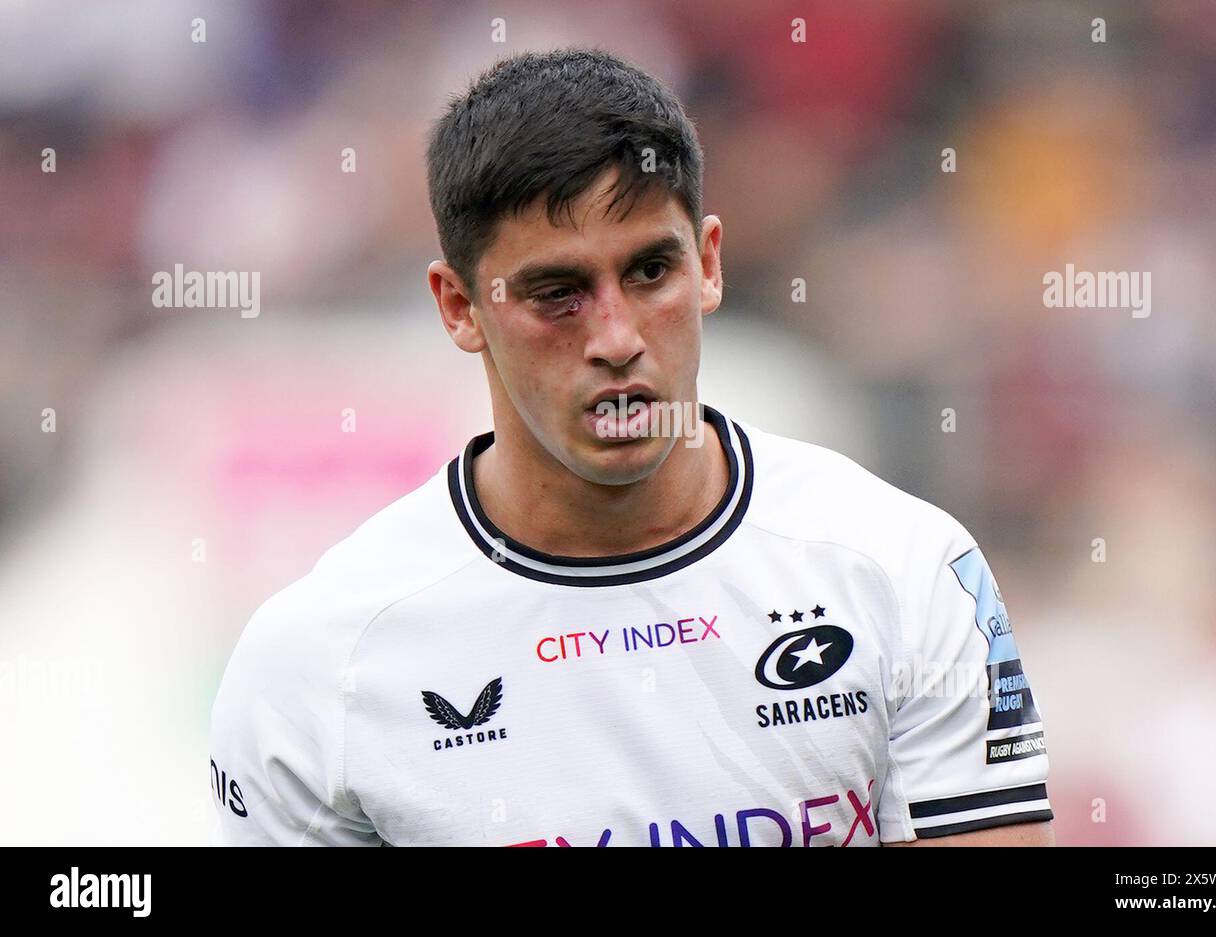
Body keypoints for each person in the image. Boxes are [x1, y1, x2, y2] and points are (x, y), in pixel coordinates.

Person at [209, 47, 1053, 846]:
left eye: (651, 272)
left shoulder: (903, 570)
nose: (617, 336)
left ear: (710, 263)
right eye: (558, 292)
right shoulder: (319, 662)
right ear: (459, 306)